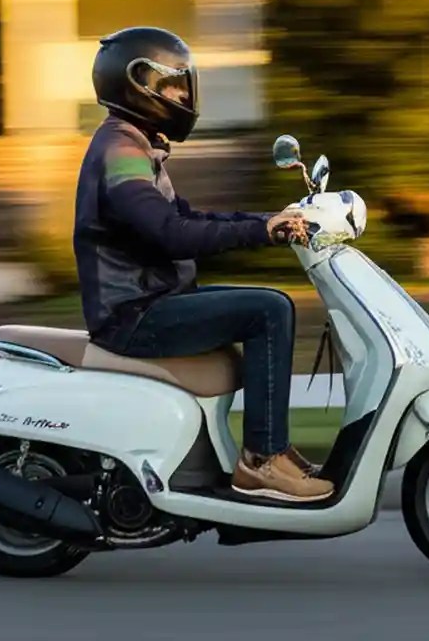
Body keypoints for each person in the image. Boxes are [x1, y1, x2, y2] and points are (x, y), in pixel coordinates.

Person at [72, 26, 335, 504]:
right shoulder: (120, 154)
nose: (184, 95)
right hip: (134, 314)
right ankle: (262, 460)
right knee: (268, 311)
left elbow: (188, 217)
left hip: (152, 300)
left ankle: (270, 449)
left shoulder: (135, 143)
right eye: (174, 85)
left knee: (270, 304)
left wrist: (271, 220)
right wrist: (260, 231)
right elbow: (170, 234)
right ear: (139, 85)